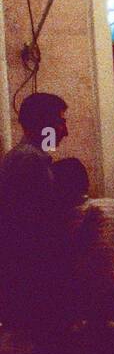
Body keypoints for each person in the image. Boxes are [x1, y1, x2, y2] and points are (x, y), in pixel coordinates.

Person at [0, 93, 70, 327]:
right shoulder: (28, 161)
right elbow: (35, 228)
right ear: (44, 125)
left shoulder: (26, 157)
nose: (65, 131)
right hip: (31, 273)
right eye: (61, 122)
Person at [51, 158, 114, 326]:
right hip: (113, 286)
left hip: (75, 294)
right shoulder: (112, 206)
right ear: (86, 183)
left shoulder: (56, 219)